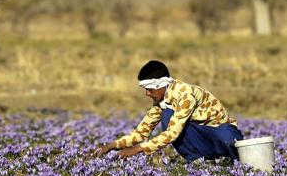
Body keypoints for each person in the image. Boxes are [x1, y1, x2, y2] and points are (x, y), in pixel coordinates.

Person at [93, 60, 243, 161]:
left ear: (160, 85)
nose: (147, 94)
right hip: (202, 138)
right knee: (168, 114)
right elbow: (141, 133)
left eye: (149, 89)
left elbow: (172, 133)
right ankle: (198, 161)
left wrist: (138, 149)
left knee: (229, 139)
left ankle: (235, 159)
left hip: (218, 131)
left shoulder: (184, 95)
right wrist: (110, 146)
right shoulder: (161, 101)